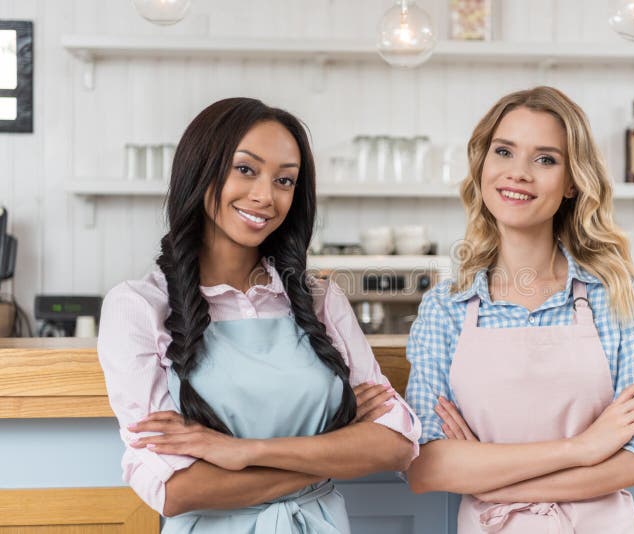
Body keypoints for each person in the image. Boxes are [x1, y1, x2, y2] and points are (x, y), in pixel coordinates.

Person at [97, 97, 420, 533]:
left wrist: (245, 452)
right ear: (200, 169)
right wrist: (335, 450)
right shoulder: (138, 307)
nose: (266, 196)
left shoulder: (320, 299)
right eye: (245, 169)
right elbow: (176, 489)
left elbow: (396, 443)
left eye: (285, 180)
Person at [404, 86, 634, 533]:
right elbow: (426, 467)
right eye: (504, 152)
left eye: (545, 159)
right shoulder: (446, 308)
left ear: (572, 181)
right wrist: (583, 448)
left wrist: (493, 480)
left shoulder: (615, 294)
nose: (519, 173)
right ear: (482, 166)